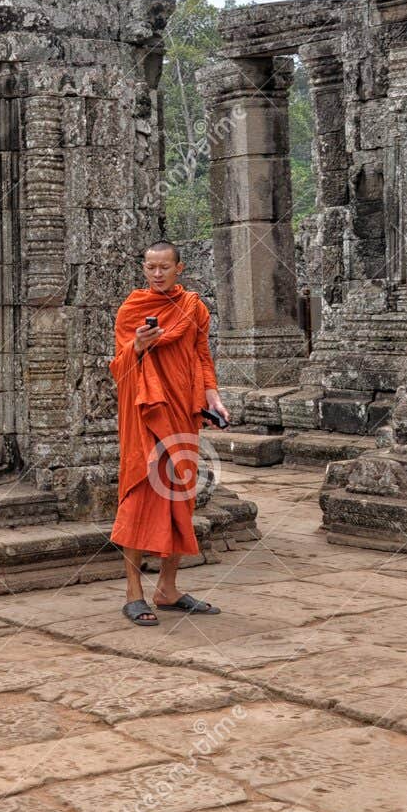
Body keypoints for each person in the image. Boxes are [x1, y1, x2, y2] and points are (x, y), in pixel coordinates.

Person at [108, 242, 230, 627]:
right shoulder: (132, 309)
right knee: (138, 495)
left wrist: (213, 396)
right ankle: (133, 593)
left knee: (179, 496)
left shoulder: (193, 307)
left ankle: (168, 589)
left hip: (183, 411)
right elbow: (120, 366)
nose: (157, 274)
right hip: (146, 415)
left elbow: (202, 355)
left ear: (180, 268)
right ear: (143, 269)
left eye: (164, 267)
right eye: (150, 267)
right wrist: (137, 348)